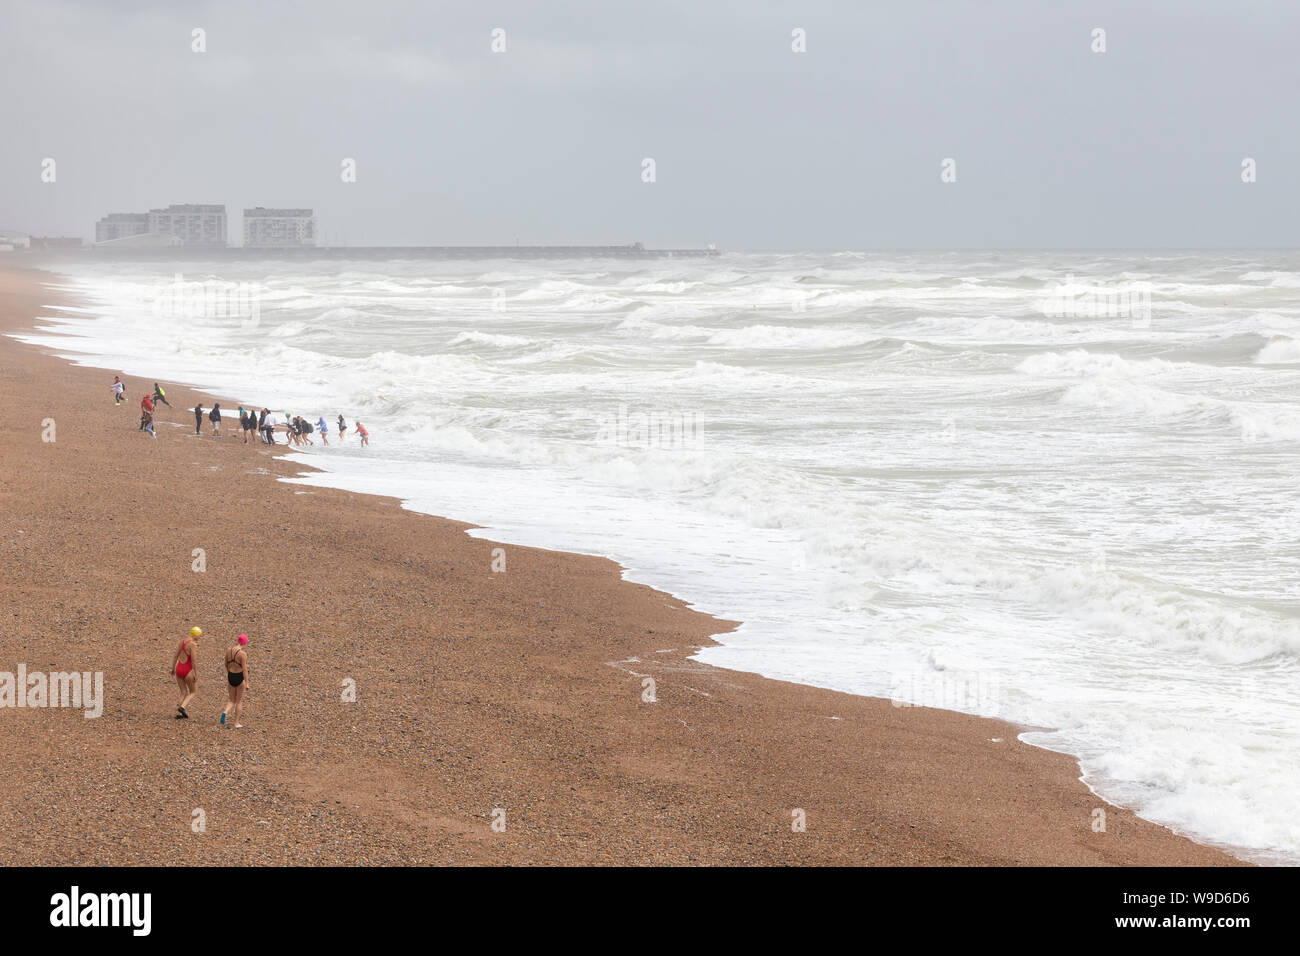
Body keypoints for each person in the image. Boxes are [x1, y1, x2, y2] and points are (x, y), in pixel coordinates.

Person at [172, 626, 201, 718]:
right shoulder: (193, 645)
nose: (200, 637)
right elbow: (194, 661)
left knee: (183, 692)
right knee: (193, 691)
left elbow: (175, 655)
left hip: (179, 668)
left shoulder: (183, 641)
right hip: (187, 670)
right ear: (196, 635)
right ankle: (182, 707)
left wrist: (172, 668)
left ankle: (178, 711)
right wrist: (196, 673)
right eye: (199, 635)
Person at [222, 634, 250, 728]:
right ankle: (236, 723)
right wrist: (247, 683)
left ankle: (225, 711)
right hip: (239, 676)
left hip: (230, 675)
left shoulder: (228, 650)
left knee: (231, 699)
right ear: (244, 642)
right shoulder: (242, 654)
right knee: (239, 701)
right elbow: (244, 669)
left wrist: (228, 673)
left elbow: (226, 663)